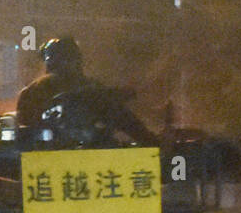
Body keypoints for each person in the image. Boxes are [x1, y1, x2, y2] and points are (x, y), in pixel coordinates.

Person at [16, 35, 156, 143]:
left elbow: (23, 132)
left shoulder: (32, 91)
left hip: (46, 162)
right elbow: (127, 122)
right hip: (97, 160)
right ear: (78, 60)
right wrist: (151, 141)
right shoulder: (94, 89)